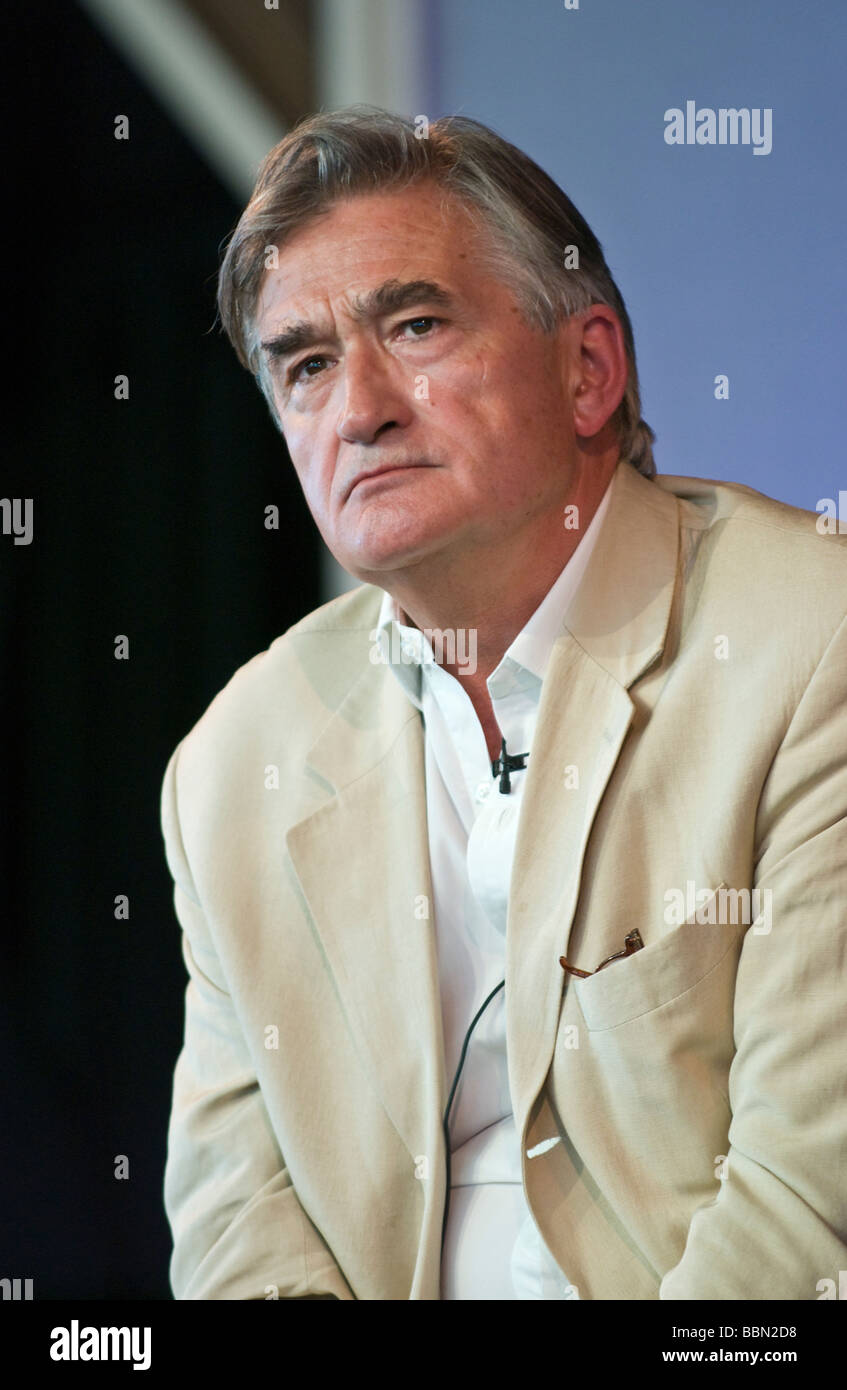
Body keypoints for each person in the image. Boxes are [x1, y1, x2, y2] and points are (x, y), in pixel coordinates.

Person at [160, 107, 847, 1300]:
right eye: (307, 364)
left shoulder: (809, 638)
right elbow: (237, 1229)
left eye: (414, 326)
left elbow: (808, 1205)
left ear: (587, 371)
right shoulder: (235, 762)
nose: (358, 407)